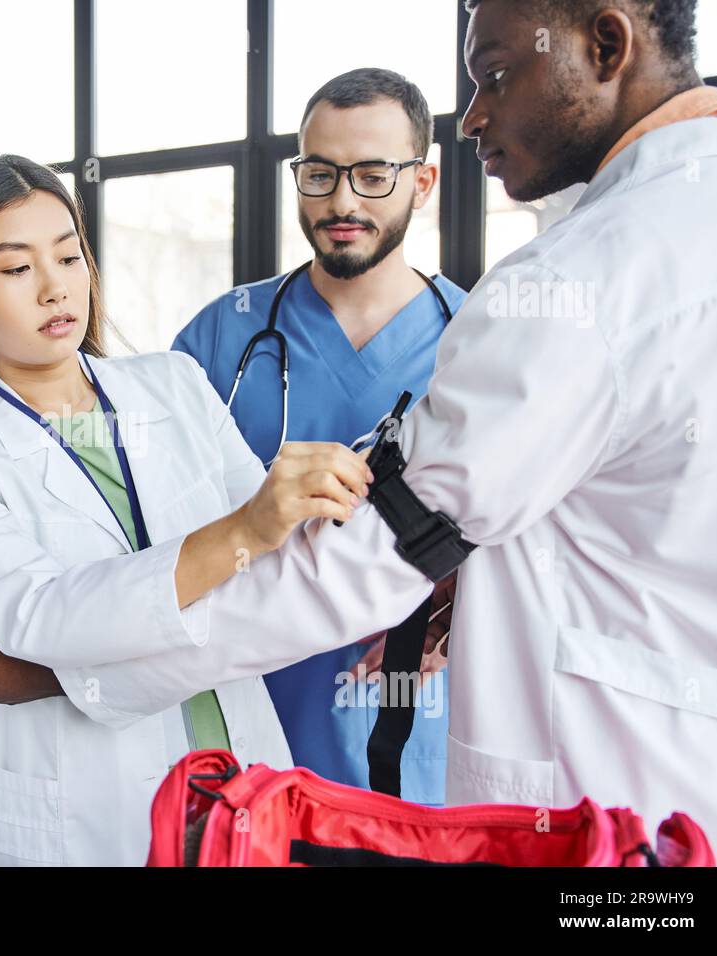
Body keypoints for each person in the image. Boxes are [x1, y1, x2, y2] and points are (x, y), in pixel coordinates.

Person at [0, 0, 717, 863]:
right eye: (318, 172)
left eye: (495, 74)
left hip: (603, 785)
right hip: (285, 724)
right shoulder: (214, 338)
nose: (475, 115)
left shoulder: (568, 283)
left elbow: (352, 562)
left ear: (606, 45)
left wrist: (68, 668)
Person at [0, 154, 372, 865]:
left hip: (240, 770)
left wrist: (50, 674)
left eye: (68, 255)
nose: (56, 287)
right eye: (17, 269)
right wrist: (242, 533)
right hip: (92, 805)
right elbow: (42, 618)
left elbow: (279, 579)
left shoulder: (173, 383)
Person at [174, 68, 468, 805]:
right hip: (245, 738)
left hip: (417, 741)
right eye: (319, 173)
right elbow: (151, 530)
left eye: (373, 175)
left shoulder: (482, 342)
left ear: (423, 182)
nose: (341, 201)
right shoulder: (222, 335)